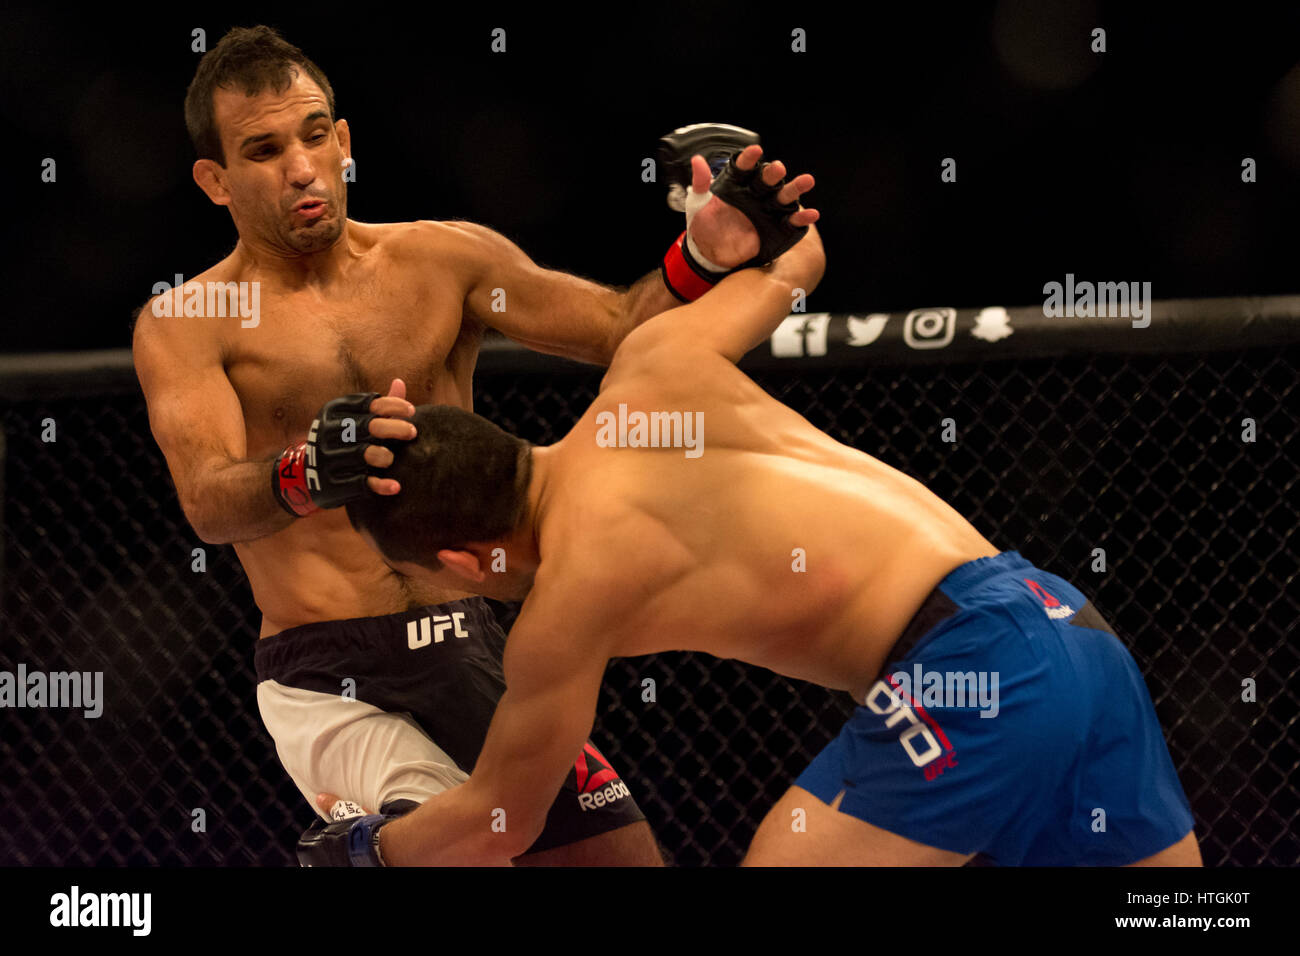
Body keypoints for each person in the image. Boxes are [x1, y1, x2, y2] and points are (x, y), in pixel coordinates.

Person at [131, 24, 818, 865]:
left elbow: (615, 328)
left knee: (622, 859)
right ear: (215, 180)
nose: (302, 167)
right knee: (460, 847)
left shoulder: (443, 260)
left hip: (471, 636)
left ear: (343, 140)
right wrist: (305, 471)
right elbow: (206, 502)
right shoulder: (186, 323)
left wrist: (703, 257)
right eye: (264, 149)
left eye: (315, 135)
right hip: (330, 670)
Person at [327, 220, 1201, 867]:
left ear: (463, 559)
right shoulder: (652, 364)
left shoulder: (569, 601)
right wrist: (729, 228)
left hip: (970, 671)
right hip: (1068, 625)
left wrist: (362, 849)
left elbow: (500, 820)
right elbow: (799, 259)